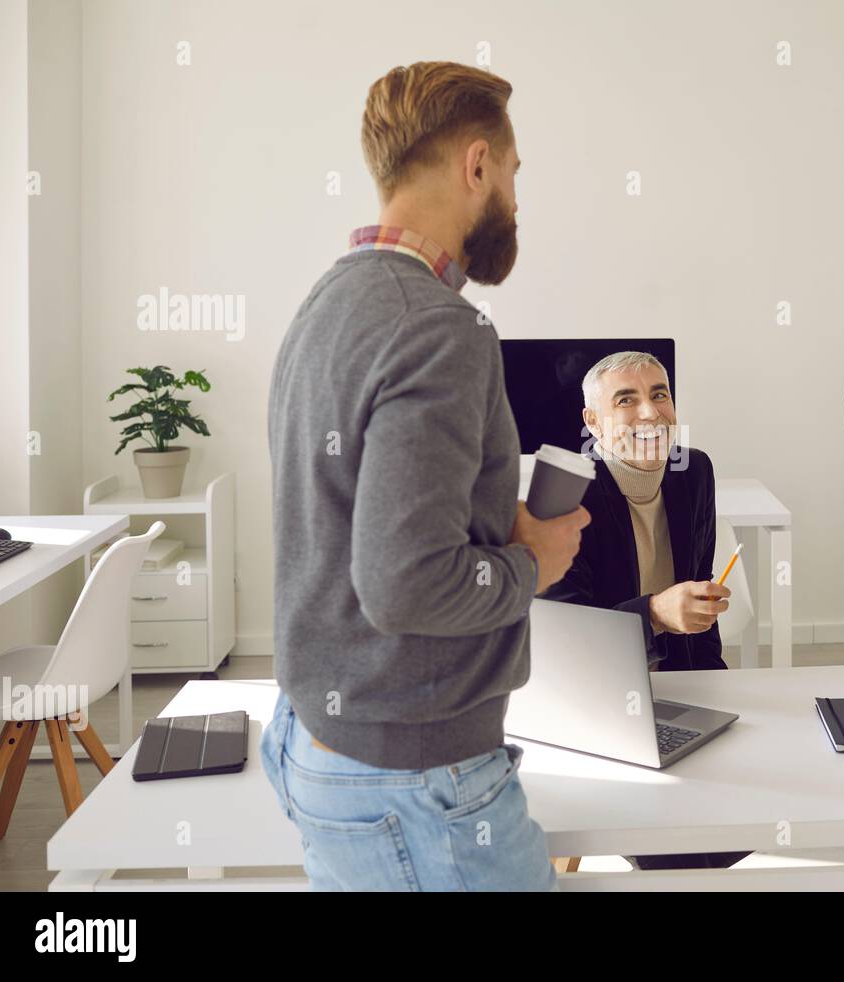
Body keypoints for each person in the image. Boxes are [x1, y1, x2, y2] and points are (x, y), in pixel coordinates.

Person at [263, 61, 589, 891]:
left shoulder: (325, 306)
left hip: (321, 740)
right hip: (412, 781)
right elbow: (404, 583)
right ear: (476, 165)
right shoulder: (442, 331)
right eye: (513, 176)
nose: (516, 200)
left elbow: (353, 519)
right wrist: (533, 563)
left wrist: (489, 517)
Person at [542, 350, 746, 870]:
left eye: (660, 394)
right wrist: (655, 612)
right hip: (597, 700)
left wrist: (715, 693)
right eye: (626, 400)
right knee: (680, 849)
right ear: (593, 421)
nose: (651, 413)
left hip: (678, 687)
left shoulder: (693, 471)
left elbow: (699, 606)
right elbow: (568, 637)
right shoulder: (564, 494)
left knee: (760, 803)